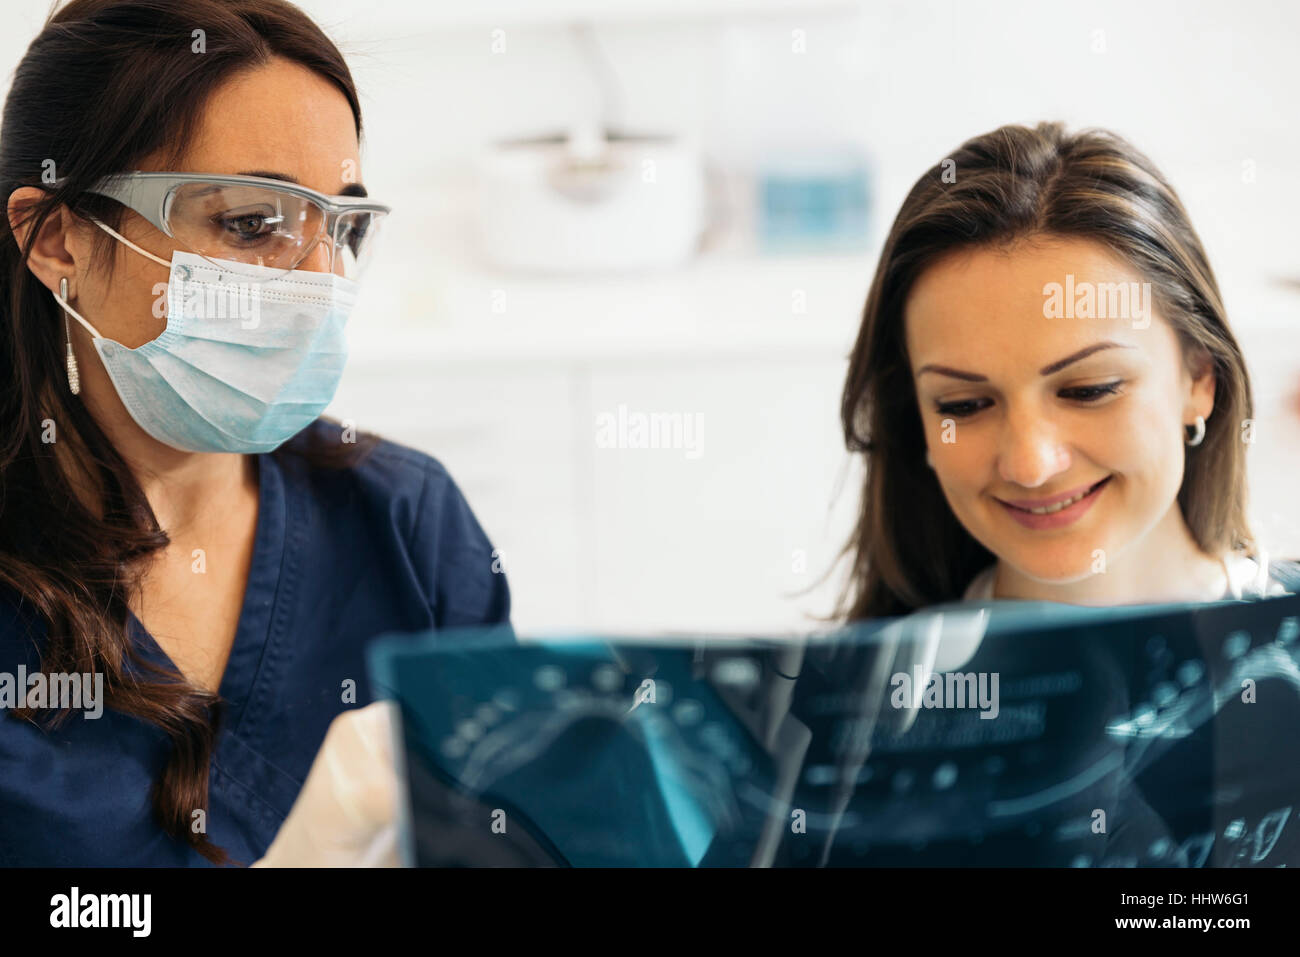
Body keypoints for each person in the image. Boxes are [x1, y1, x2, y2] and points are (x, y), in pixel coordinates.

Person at [0, 0, 508, 866]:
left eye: (338, 225)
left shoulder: (406, 524)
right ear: (59, 241)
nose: (318, 284)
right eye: (251, 224)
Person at [836, 121, 1299, 620]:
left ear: (1200, 379)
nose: (1031, 466)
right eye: (963, 405)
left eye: (1088, 390)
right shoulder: (874, 690)